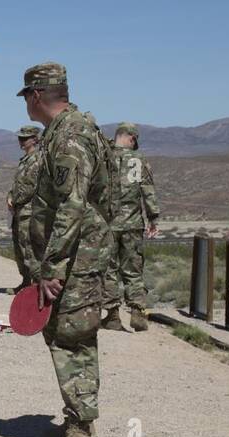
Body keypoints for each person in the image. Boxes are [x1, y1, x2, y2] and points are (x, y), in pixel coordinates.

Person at [19, 61, 111, 437]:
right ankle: (75, 417)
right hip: (71, 255)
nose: (26, 104)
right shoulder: (65, 131)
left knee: (72, 338)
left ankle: (82, 430)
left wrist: (53, 266)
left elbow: (72, 205)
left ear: (37, 96)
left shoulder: (70, 137)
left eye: (26, 96)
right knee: (64, 334)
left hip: (76, 258)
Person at [102, 121, 159, 332]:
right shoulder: (138, 160)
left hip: (108, 224)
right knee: (133, 271)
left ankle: (112, 316)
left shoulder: (104, 157)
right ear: (132, 139)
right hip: (133, 223)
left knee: (109, 270)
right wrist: (153, 218)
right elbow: (147, 190)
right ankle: (137, 312)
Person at [7, 125, 43, 289]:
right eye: (20, 138)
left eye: (25, 138)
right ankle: (26, 282)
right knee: (20, 249)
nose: (21, 141)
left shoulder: (37, 160)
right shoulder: (24, 161)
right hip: (19, 211)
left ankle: (35, 285)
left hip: (28, 211)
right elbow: (17, 185)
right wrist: (9, 196)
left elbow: (29, 187)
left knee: (29, 250)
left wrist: (15, 200)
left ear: (35, 139)